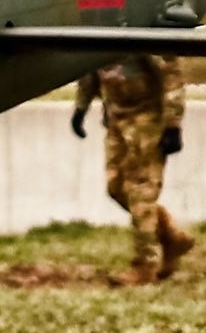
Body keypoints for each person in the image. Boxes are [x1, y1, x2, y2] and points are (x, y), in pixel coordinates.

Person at [72, 56, 191, 285]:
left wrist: (172, 124)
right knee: (116, 187)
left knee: (141, 192)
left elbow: (170, 74)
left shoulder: (138, 24)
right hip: (117, 118)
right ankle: (171, 236)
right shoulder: (98, 30)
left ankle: (145, 266)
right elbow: (88, 67)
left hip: (147, 119)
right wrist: (81, 106)